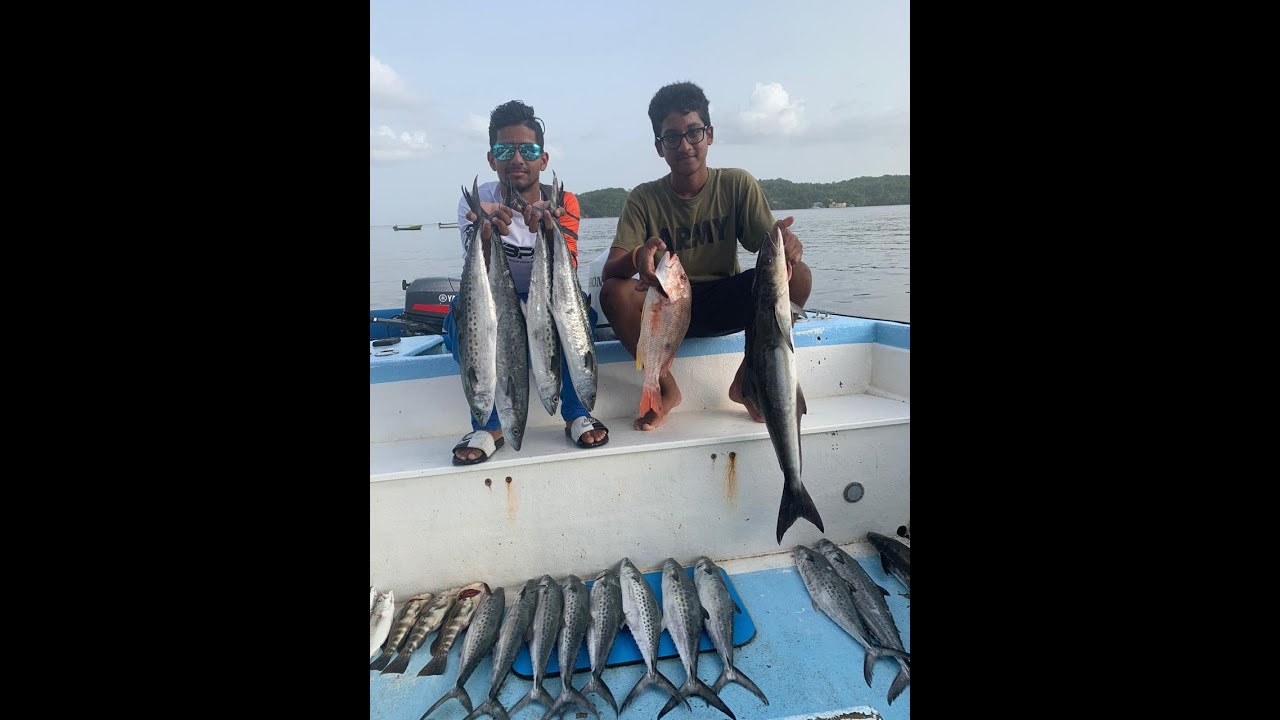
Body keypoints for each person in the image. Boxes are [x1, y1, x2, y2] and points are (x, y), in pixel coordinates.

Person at [599, 81, 812, 431]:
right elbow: (611, 269)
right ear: (659, 147)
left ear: (709, 135)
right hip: (665, 309)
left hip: (722, 299)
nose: (684, 145)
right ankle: (664, 390)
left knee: (798, 275)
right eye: (672, 137)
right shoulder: (642, 198)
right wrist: (638, 256)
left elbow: (771, 249)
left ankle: (746, 382)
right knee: (614, 292)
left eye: (693, 133)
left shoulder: (737, 184)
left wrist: (788, 245)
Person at [444, 100, 609, 465]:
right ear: (492, 159)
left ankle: (575, 412)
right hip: (496, 298)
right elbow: (479, 277)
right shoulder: (474, 202)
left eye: (528, 150)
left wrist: (552, 229)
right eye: (505, 149)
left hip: (547, 296)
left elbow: (565, 277)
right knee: (458, 321)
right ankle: (489, 425)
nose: (517, 158)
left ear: (543, 159)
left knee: (576, 315)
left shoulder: (563, 201)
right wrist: (483, 232)